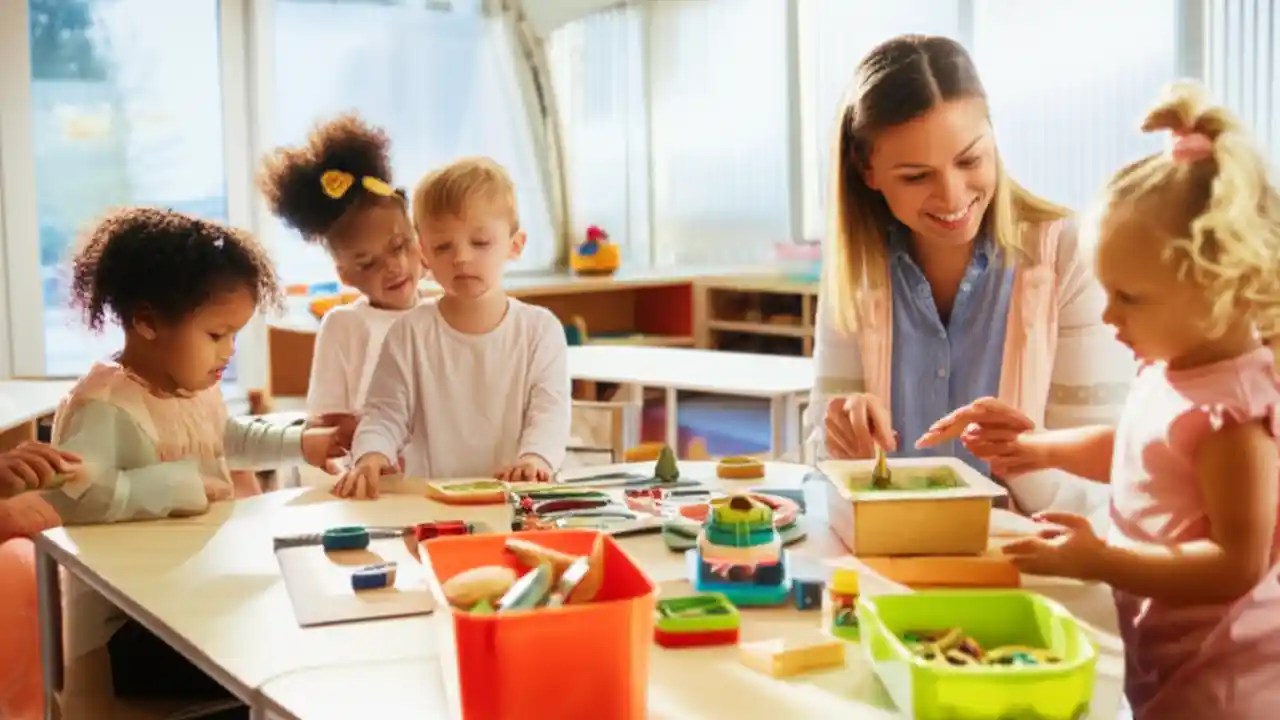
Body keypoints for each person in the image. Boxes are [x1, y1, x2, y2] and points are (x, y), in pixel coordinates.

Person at [966, 82, 1280, 719]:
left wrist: (1102, 558)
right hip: (1167, 657)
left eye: (1129, 297)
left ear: (1221, 287)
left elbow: (1234, 564)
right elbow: (1135, 448)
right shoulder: (1172, 368)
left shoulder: (1234, 416)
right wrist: (1032, 447)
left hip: (1223, 685)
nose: (1108, 315)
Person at [0, 208, 347, 718]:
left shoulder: (192, 387)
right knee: (283, 640)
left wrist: (305, 444)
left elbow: (223, 439)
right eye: (215, 335)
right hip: (125, 628)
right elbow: (80, 498)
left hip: (191, 596)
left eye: (233, 336)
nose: (227, 351)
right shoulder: (106, 403)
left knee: (306, 614)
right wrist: (178, 484)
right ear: (146, 322)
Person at [808, 34, 1134, 523]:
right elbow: (817, 471)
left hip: (1034, 572)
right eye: (916, 176)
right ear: (867, 170)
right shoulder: (857, 268)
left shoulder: (1070, 256)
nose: (952, 196)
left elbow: (1111, 494)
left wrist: (1026, 456)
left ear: (993, 138)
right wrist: (841, 448)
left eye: (969, 160)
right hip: (891, 559)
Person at [333, 157, 571, 499]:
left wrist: (535, 458)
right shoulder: (409, 333)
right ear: (424, 255)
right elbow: (385, 412)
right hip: (432, 504)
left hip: (517, 498)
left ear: (514, 245)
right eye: (443, 246)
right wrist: (371, 454)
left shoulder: (540, 330)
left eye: (480, 242)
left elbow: (550, 411)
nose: (460, 257)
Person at [259, 113, 426, 435]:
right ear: (345, 275)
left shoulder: (449, 309)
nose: (392, 266)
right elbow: (326, 419)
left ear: (416, 238)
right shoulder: (345, 325)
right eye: (367, 263)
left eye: (399, 245)